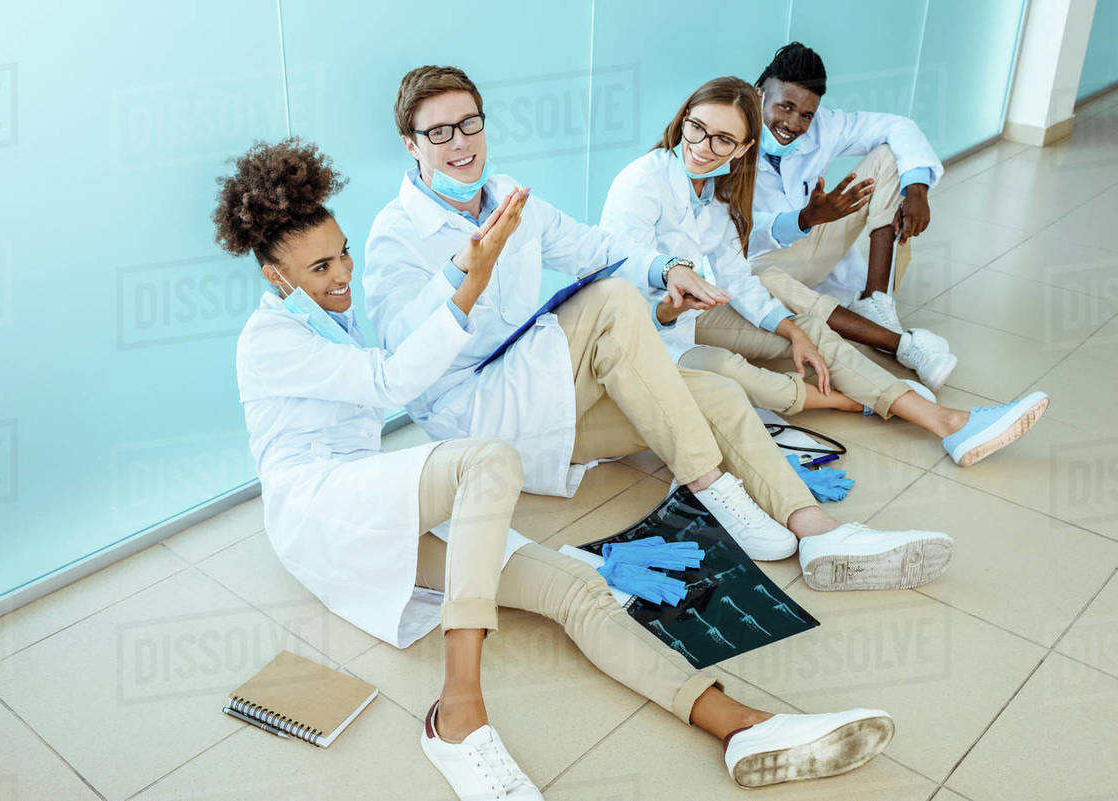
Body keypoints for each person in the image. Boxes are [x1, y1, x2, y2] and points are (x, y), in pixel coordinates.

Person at [217, 138, 904, 799]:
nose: (342, 277)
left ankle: (743, 726)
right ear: (275, 277)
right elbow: (392, 381)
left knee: (577, 589)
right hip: (316, 505)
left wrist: (465, 269)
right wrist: (472, 282)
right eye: (320, 269)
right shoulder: (268, 341)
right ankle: (458, 713)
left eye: (342, 256)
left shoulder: (324, 314)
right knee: (487, 463)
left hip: (369, 502)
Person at [365, 64, 957, 582]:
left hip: (546, 403)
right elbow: (398, 358)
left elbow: (600, 247)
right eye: (438, 132)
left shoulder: (512, 200)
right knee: (614, 301)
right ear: (409, 145)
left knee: (718, 394)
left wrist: (669, 266)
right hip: (474, 414)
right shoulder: (394, 234)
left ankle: (821, 532)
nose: (460, 142)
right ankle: (713, 490)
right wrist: (462, 277)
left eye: (469, 123)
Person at [599, 76, 1050, 467]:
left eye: (723, 140)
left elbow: (735, 277)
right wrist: (668, 303)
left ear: (743, 149)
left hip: (693, 315)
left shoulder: (716, 191)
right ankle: (869, 397)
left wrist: (792, 331)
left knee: (809, 330)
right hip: (645, 329)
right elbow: (620, 278)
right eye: (696, 129)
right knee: (746, 378)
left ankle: (949, 423)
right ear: (683, 121)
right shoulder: (643, 181)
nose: (702, 147)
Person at [750, 42, 959, 389]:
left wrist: (917, 189)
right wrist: (804, 219)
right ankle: (905, 346)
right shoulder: (727, 135)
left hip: (810, 244)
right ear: (759, 94)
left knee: (889, 157)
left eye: (806, 115)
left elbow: (898, 127)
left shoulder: (823, 127)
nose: (794, 123)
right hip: (758, 264)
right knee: (769, 281)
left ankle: (874, 301)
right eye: (785, 107)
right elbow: (727, 232)